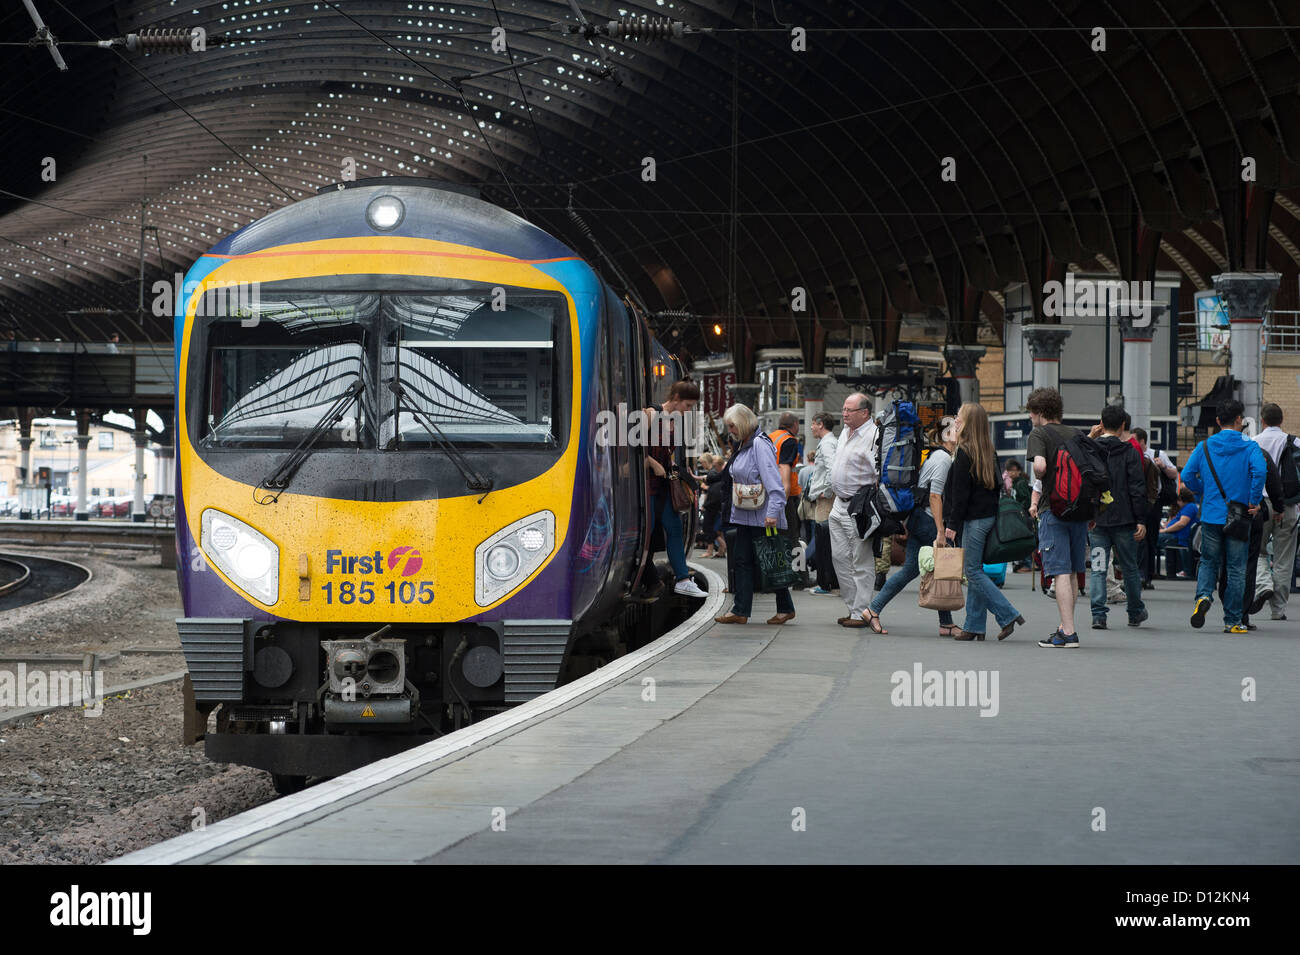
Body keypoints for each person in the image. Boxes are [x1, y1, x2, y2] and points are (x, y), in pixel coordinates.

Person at [1181, 399, 1267, 633]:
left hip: (1211, 514)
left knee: (1209, 561)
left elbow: (1187, 476)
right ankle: (1232, 620)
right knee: (1237, 567)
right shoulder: (1249, 446)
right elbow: (1260, 470)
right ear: (1240, 420)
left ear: (1218, 421)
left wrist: (1203, 490)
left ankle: (1203, 596)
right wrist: (1253, 499)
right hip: (1239, 515)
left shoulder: (1205, 446)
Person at [943, 403, 1025, 641]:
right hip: (988, 517)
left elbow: (960, 496)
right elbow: (996, 487)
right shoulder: (988, 451)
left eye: (959, 416)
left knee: (972, 571)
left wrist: (952, 525)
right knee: (975, 568)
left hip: (972, 519)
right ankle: (974, 626)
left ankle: (1007, 614)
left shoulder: (963, 453)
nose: (955, 419)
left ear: (968, 421)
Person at [870, 417, 957, 636]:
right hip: (928, 519)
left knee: (912, 569)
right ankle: (947, 623)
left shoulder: (936, 456)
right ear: (948, 435)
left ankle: (873, 609)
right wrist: (939, 530)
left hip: (918, 517)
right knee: (944, 568)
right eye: (958, 429)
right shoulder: (943, 459)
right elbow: (935, 496)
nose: (962, 432)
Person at [714, 403, 796, 626]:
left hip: (762, 516)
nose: (729, 430)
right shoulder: (744, 444)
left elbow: (775, 484)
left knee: (770, 561)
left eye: (732, 425)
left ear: (742, 422)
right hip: (745, 514)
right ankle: (742, 609)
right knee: (744, 560)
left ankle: (782, 608)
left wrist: (772, 513)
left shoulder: (759, 445)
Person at [1026, 386, 1089, 648]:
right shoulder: (1077, 433)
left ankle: (1069, 633)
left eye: (1031, 412)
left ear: (1040, 412)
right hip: (1079, 509)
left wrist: (1042, 475)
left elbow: (1039, 466)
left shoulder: (1039, 433)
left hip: (1053, 509)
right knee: (1073, 571)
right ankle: (1065, 626)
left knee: (1060, 572)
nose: (1030, 417)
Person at [644, 380, 707, 599]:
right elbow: (630, 449)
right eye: (688, 405)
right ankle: (651, 576)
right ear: (677, 399)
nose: (688, 410)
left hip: (664, 484)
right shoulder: (652, 413)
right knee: (649, 531)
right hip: (647, 485)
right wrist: (652, 463)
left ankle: (683, 579)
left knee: (674, 529)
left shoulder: (676, 420)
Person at [1087, 404, 1149, 630]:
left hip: (1097, 521)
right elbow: (1137, 488)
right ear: (1124, 425)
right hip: (1125, 521)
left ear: (1101, 424)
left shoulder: (1091, 449)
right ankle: (1135, 612)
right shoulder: (1131, 452)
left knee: (1099, 567)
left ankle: (1098, 615)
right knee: (1130, 567)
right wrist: (1140, 519)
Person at [829, 392, 879, 628]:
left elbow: (879, 475)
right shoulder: (845, 433)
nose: (844, 413)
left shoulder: (873, 436)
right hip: (838, 503)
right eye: (844, 409)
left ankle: (861, 612)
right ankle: (852, 608)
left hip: (859, 507)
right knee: (839, 558)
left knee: (860, 559)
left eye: (849, 410)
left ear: (864, 413)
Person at [1252, 402, 1300, 621]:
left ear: (1262, 420)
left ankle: (1262, 583)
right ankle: (1278, 609)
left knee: (1257, 550)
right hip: (1288, 505)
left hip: (1259, 504)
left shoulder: (1253, 443)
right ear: (1281, 420)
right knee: (1284, 557)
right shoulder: (1294, 442)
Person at [1132, 427, 1178, 586]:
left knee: (1151, 538)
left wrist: (1163, 466)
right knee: (1138, 538)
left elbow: (1174, 473)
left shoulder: (1157, 455)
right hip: (1137, 500)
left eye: (1135, 440)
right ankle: (1139, 573)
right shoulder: (1132, 454)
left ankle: (1148, 575)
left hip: (1154, 501)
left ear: (1142, 441)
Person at [805, 412, 840, 595]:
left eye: (812, 424)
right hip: (827, 498)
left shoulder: (827, 444)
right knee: (827, 539)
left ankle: (826, 583)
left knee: (824, 540)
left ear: (820, 424)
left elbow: (832, 468)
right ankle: (828, 581)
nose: (811, 427)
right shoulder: (831, 442)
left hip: (825, 500)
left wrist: (824, 493)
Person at [769, 412, 803, 550]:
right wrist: (783, 500)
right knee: (791, 536)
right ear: (795, 424)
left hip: (771, 491)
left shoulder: (771, 437)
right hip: (786, 495)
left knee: (775, 535)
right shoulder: (789, 441)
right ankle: (794, 570)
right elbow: (785, 468)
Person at [1158, 487, 1198, 577]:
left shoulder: (1189, 507)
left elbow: (1182, 523)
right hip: (1175, 535)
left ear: (1181, 499)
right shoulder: (1188, 507)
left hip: (1178, 537)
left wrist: (1165, 530)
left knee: (1152, 538)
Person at [1004, 459, 1033, 572]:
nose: (1010, 473)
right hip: (1019, 514)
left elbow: (1026, 499)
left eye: (1013, 470)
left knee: (1023, 538)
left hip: (1023, 515)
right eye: (1009, 470)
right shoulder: (1015, 483)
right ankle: (1025, 563)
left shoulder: (1021, 483)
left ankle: (1027, 564)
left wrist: (1019, 509)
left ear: (1019, 471)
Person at [699, 453, 728, 559]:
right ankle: (720, 549)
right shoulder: (716, 474)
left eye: (702, 463)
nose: (702, 465)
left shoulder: (714, 473)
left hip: (714, 503)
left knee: (709, 527)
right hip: (714, 503)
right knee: (715, 527)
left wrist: (705, 487)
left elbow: (714, 489)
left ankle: (714, 549)